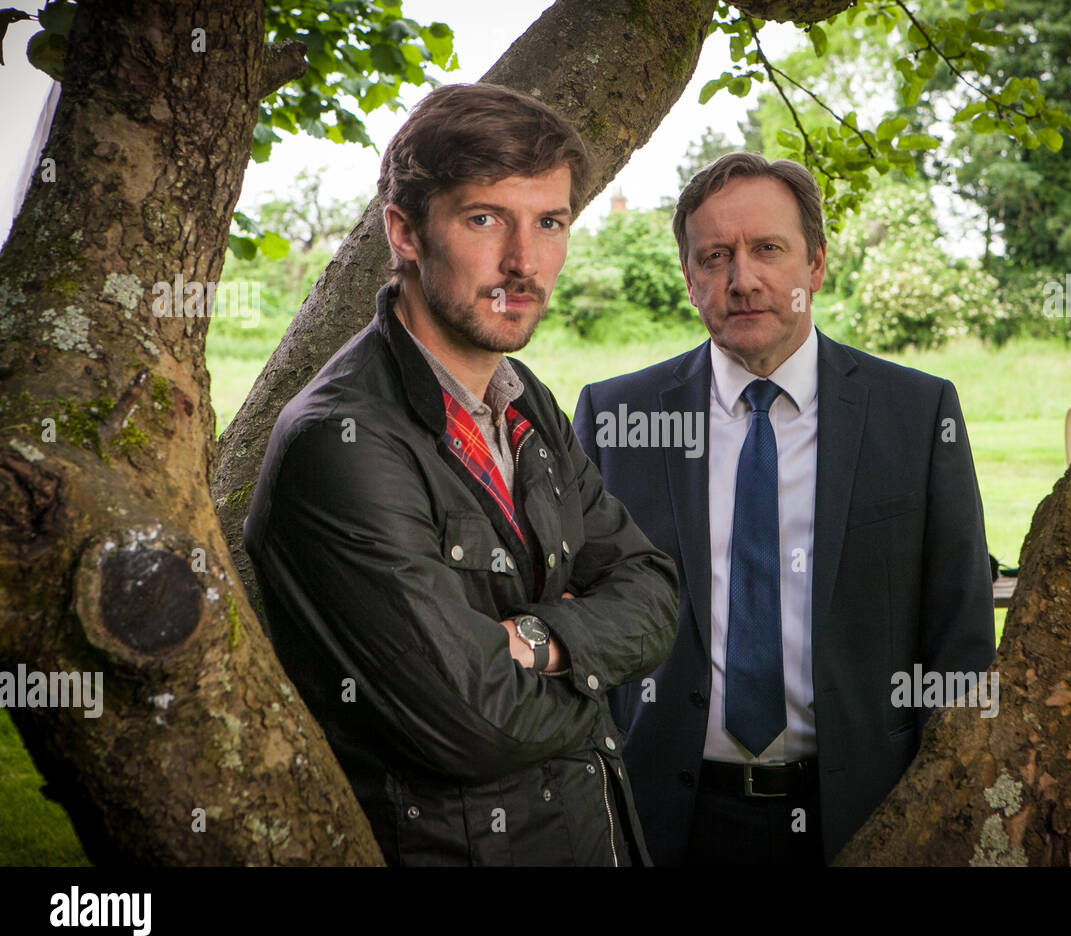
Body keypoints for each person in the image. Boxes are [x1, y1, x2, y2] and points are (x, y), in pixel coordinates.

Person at [243, 83, 679, 866]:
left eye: (550, 222)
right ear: (405, 231)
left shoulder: (524, 400)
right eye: (486, 219)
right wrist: (597, 669)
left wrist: (539, 639)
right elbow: (474, 723)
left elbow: (652, 589)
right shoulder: (342, 441)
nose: (524, 261)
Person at [573, 152, 996, 866]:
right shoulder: (617, 415)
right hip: (665, 819)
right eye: (715, 256)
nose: (743, 280)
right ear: (688, 279)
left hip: (862, 816)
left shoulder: (917, 414)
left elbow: (960, 635)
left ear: (816, 266)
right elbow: (579, 614)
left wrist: (940, 810)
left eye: (769, 248)